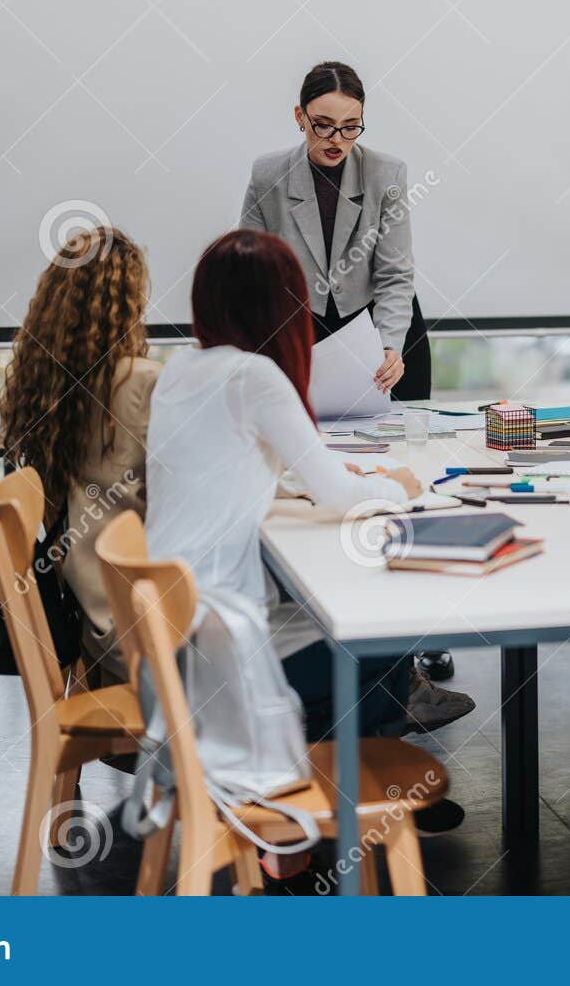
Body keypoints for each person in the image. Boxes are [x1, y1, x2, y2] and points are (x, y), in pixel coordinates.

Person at [143, 228, 466, 835]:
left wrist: (307, 481)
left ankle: (327, 792)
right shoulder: (256, 377)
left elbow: (231, 464)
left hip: (173, 650)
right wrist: (399, 483)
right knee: (387, 637)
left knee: (334, 615)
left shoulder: (181, 370)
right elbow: (342, 497)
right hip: (225, 662)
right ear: (282, 307)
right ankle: (360, 796)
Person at [0, 226, 159, 686]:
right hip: (138, 630)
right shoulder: (144, 383)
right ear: (128, 303)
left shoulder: (44, 387)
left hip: (88, 613)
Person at [239, 59, 430, 401]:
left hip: (379, 323)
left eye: (351, 126)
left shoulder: (387, 174)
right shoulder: (268, 175)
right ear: (300, 117)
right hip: (299, 325)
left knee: (394, 442)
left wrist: (389, 346)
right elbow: (250, 276)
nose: (337, 140)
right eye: (324, 126)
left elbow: (395, 276)